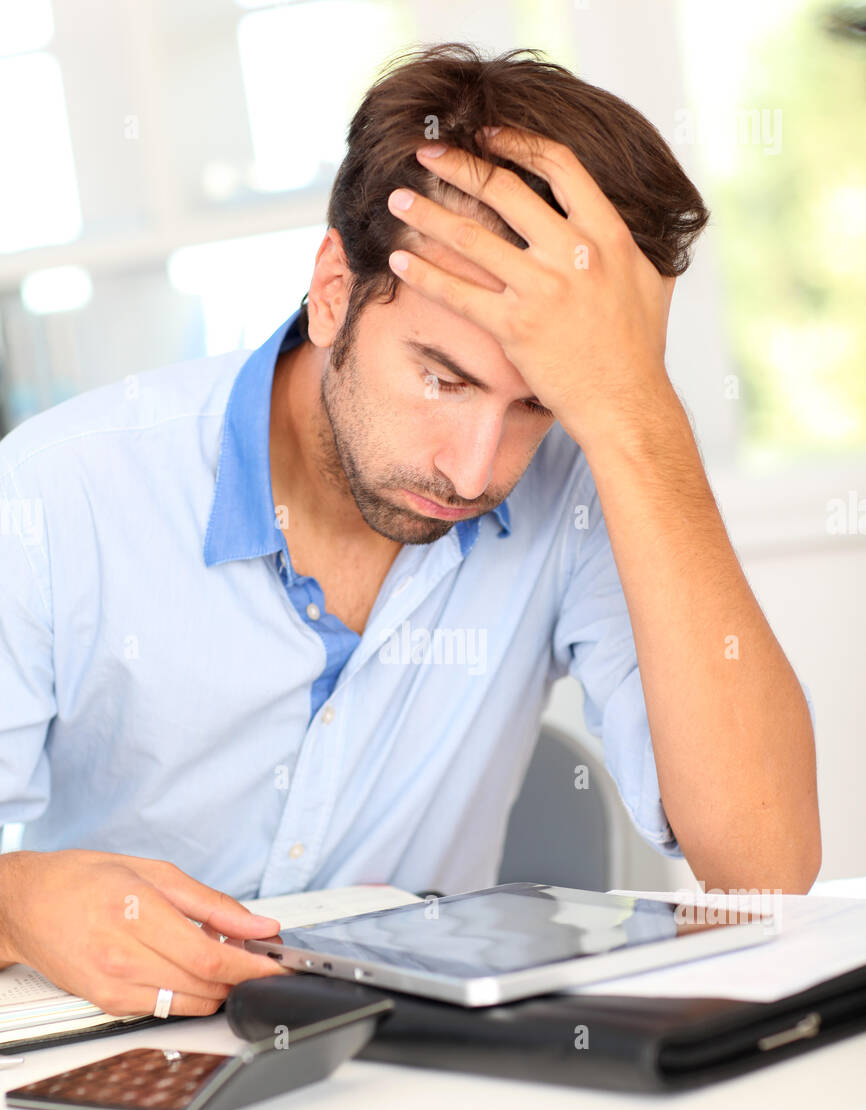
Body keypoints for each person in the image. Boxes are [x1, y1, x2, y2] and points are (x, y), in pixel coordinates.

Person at [0, 43, 820, 1019]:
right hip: (117, 1078)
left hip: (412, 1089)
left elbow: (762, 868)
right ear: (335, 290)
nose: (473, 469)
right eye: (442, 376)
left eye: (535, 404)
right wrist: (14, 904)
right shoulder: (57, 494)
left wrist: (634, 413)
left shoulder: (583, 483)